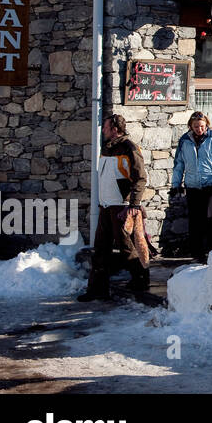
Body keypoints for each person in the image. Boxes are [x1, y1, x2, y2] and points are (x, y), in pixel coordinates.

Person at [79, 113, 150, 301]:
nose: (103, 129)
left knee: (126, 247)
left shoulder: (130, 148)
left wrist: (134, 204)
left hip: (122, 206)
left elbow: (140, 178)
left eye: (106, 126)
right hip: (106, 205)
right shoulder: (107, 148)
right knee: (100, 249)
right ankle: (97, 289)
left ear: (115, 129)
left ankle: (141, 280)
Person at [172, 110, 212, 264]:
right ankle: (197, 253)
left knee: (209, 218)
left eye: (202, 126)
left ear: (207, 125)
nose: (199, 129)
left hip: (210, 184)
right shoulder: (185, 140)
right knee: (195, 220)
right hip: (192, 185)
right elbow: (179, 164)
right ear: (191, 127)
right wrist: (175, 184)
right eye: (196, 126)